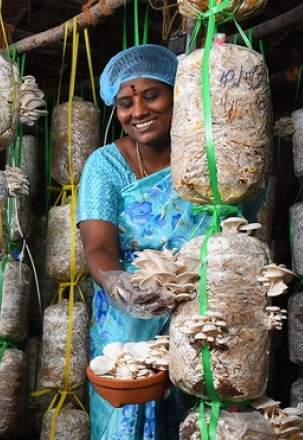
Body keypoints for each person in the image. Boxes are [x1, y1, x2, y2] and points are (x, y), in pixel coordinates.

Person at [77, 44, 214, 440]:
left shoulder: (205, 159)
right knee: (129, 417)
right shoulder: (106, 165)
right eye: (125, 102)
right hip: (128, 319)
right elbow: (98, 248)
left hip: (200, 315)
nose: (138, 112)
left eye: (152, 95)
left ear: (176, 93)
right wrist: (123, 285)